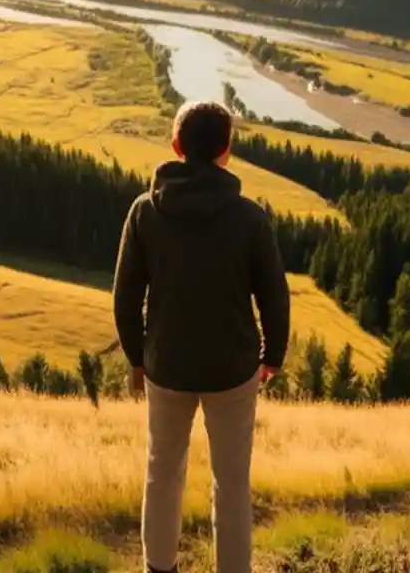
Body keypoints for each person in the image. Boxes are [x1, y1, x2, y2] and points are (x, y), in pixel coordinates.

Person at [113, 100, 291, 573]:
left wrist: (137, 357)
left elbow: (125, 296)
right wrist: (272, 354)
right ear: (226, 151)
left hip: (165, 365)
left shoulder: (145, 212)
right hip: (233, 370)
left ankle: (159, 568)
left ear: (176, 146)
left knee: (162, 471)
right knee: (231, 483)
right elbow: (273, 293)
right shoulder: (249, 218)